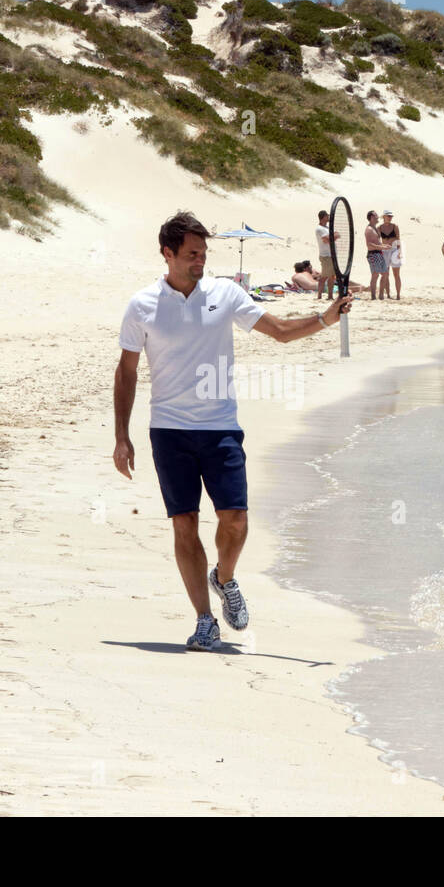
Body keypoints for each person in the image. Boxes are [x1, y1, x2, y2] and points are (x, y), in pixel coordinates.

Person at [114, 211, 354, 651]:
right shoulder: (142, 304)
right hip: (169, 430)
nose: (200, 261)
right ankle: (205, 619)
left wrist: (325, 319)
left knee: (236, 521)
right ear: (167, 253)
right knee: (184, 523)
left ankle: (224, 578)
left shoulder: (225, 293)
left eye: (203, 253)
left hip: (221, 427)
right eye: (191, 254)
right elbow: (126, 371)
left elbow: (279, 332)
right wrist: (121, 436)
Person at [377, 209, 401, 300]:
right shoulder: (379, 228)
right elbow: (378, 241)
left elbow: (398, 239)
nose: (390, 218)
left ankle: (398, 295)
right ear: (384, 217)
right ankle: (388, 294)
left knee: (396, 274)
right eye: (388, 216)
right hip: (385, 251)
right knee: (385, 274)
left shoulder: (395, 226)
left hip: (394, 250)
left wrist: (399, 252)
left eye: (391, 216)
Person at [365, 210, 388, 300]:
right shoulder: (369, 229)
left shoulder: (375, 228)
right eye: (376, 215)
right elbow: (369, 244)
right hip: (373, 254)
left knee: (385, 274)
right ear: (371, 217)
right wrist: (381, 247)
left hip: (379, 253)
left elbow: (377, 242)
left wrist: (384, 246)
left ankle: (381, 295)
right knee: (375, 275)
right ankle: (373, 296)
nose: (378, 217)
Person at [314, 209, 336, 299]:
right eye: (327, 216)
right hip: (326, 256)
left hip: (332, 255)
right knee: (324, 276)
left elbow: (333, 237)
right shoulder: (319, 229)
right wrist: (334, 237)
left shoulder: (327, 228)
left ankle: (330, 296)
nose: (329, 217)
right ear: (323, 217)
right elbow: (326, 240)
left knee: (332, 276)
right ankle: (319, 296)